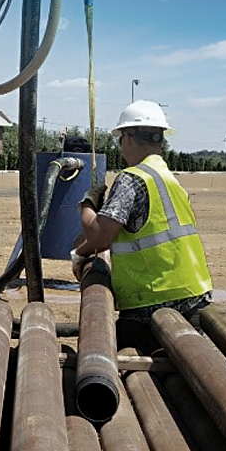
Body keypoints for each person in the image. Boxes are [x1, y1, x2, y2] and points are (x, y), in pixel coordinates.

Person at [72, 100, 213, 354]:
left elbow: (100, 236)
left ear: (127, 138)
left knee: (116, 364)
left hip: (150, 306)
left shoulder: (131, 179)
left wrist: (86, 204)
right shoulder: (171, 180)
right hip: (195, 298)